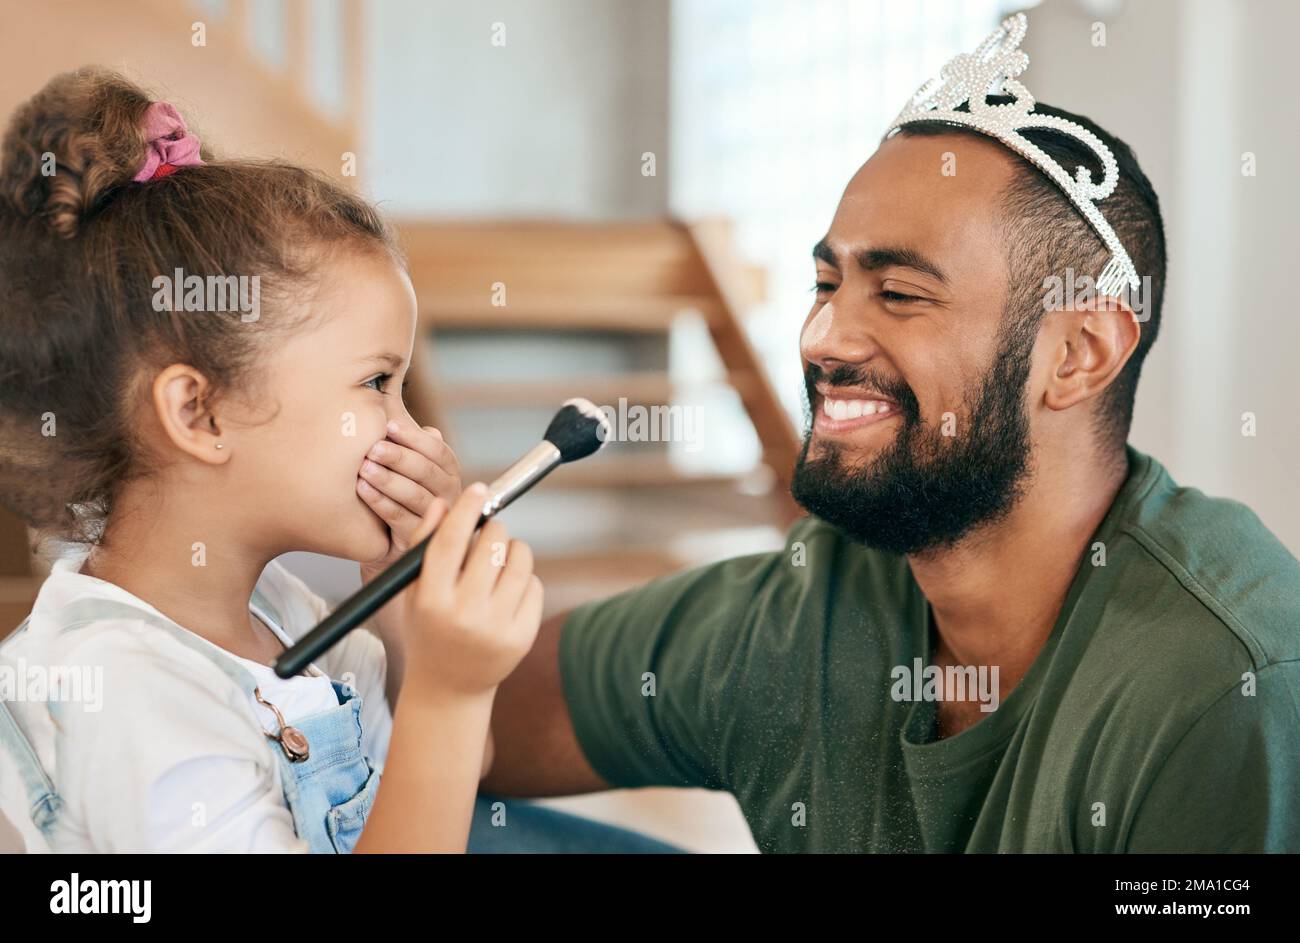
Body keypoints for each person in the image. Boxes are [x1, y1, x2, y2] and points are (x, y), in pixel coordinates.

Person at [482, 15, 1300, 853]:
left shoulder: (1230, 679)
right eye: (826, 282)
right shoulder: (819, 603)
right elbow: (476, 713)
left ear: (1079, 353)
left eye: (900, 293)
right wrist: (425, 578)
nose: (822, 338)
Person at [0, 67, 679, 854]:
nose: (413, 430)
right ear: (200, 412)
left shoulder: (281, 611)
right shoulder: (122, 693)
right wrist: (451, 689)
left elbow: (450, 781)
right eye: (378, 383)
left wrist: (414, 621)